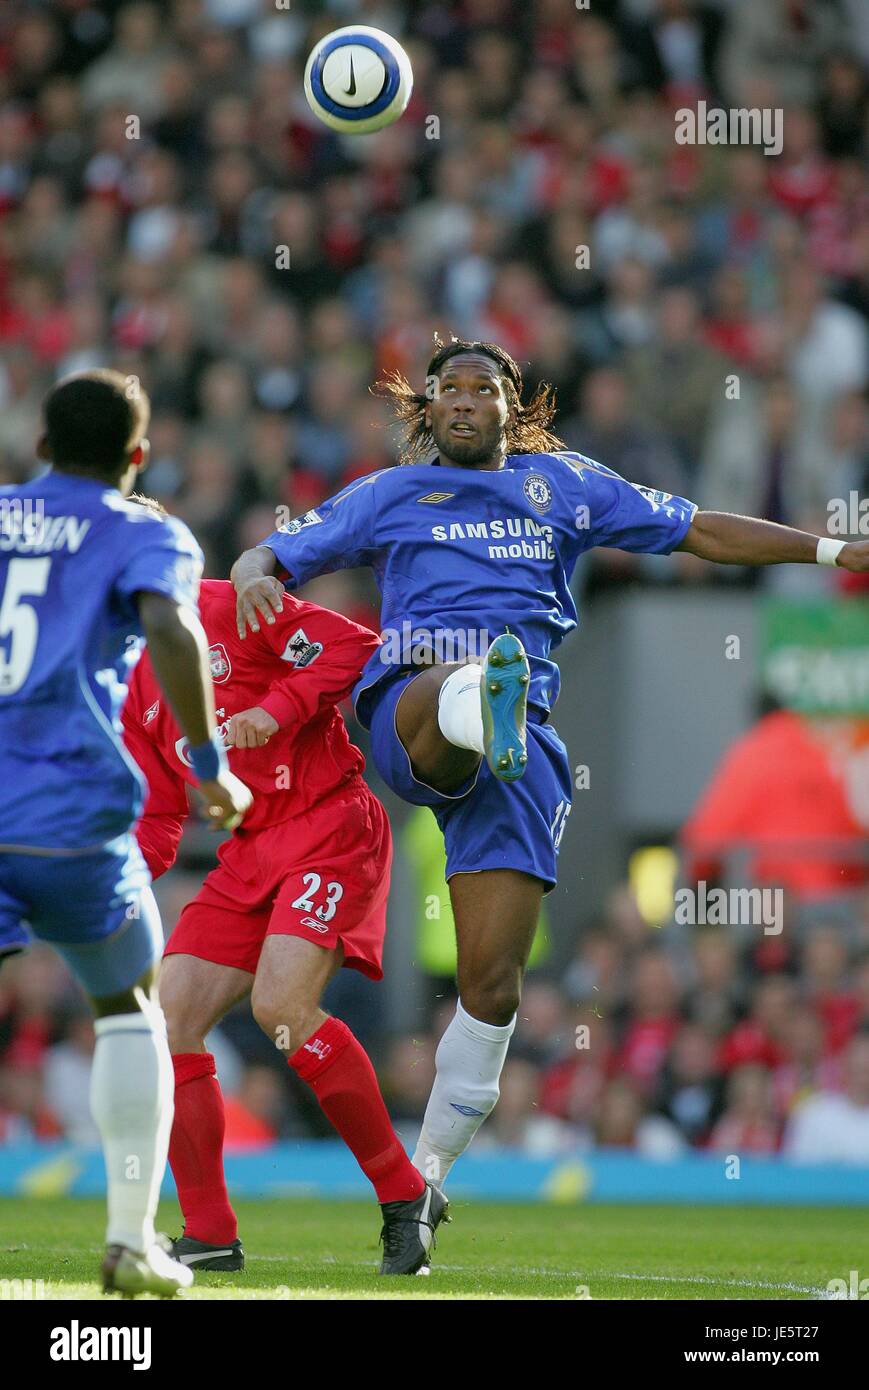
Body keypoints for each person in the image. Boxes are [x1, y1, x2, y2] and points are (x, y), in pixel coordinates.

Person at [230, 336, 869, 1264]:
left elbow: (699, 529)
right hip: (405, 703)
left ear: (508, 405)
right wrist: (253, 577)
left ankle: (422, 1185)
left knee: (492, 988)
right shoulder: (389, 493)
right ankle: (470, 701)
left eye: (479, 389)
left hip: (521, 742)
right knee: (443, 682)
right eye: (445, 389)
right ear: (427, 412)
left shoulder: (562, 485)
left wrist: (832, 548)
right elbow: (275, 553)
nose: (460, 400)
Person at [0, 370, 252, 1298]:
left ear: (37, 445)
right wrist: (207, 757)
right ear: (137, 457)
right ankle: (131, 1240)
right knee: (129, 1008)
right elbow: (170, 627)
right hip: (69, 817)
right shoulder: (143, 528)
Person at [122, 556, 433, 1275]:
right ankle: (210, 1233)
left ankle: (401, 1192)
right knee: (166, 1024)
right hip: (249, 851)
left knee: (280, 1007)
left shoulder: (235, 606)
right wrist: (109, 891)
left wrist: (279, 706)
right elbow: (160, 816)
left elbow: (355, 646)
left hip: (329, 825)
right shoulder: (127, 679)